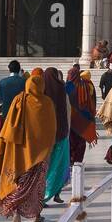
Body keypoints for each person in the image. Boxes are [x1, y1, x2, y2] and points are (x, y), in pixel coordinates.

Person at [0, 69, 55, 222]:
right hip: (40, 154)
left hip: (20, 152)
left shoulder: (19, 100)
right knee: (38, 186)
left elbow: (9, 125)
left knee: (19, 184)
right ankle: (36, 215)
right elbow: (52, 129)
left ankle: (17, 215)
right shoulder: (47, 103)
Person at [42, 67, 72, 204]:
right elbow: (67, 112)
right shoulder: (62, 90)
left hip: (47, 136)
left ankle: (43, 195)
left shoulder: (43, 91)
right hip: (62, 133)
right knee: (60, 164)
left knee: (48, 165)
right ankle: (55, 193)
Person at [64, 65, 98, 167]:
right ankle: (78, 162)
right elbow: (90, 101)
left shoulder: (66, 87)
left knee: (71, 142)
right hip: (83, 118)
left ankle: (71, 162)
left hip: (70, 120)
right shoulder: (85, 86)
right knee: (80, 142)